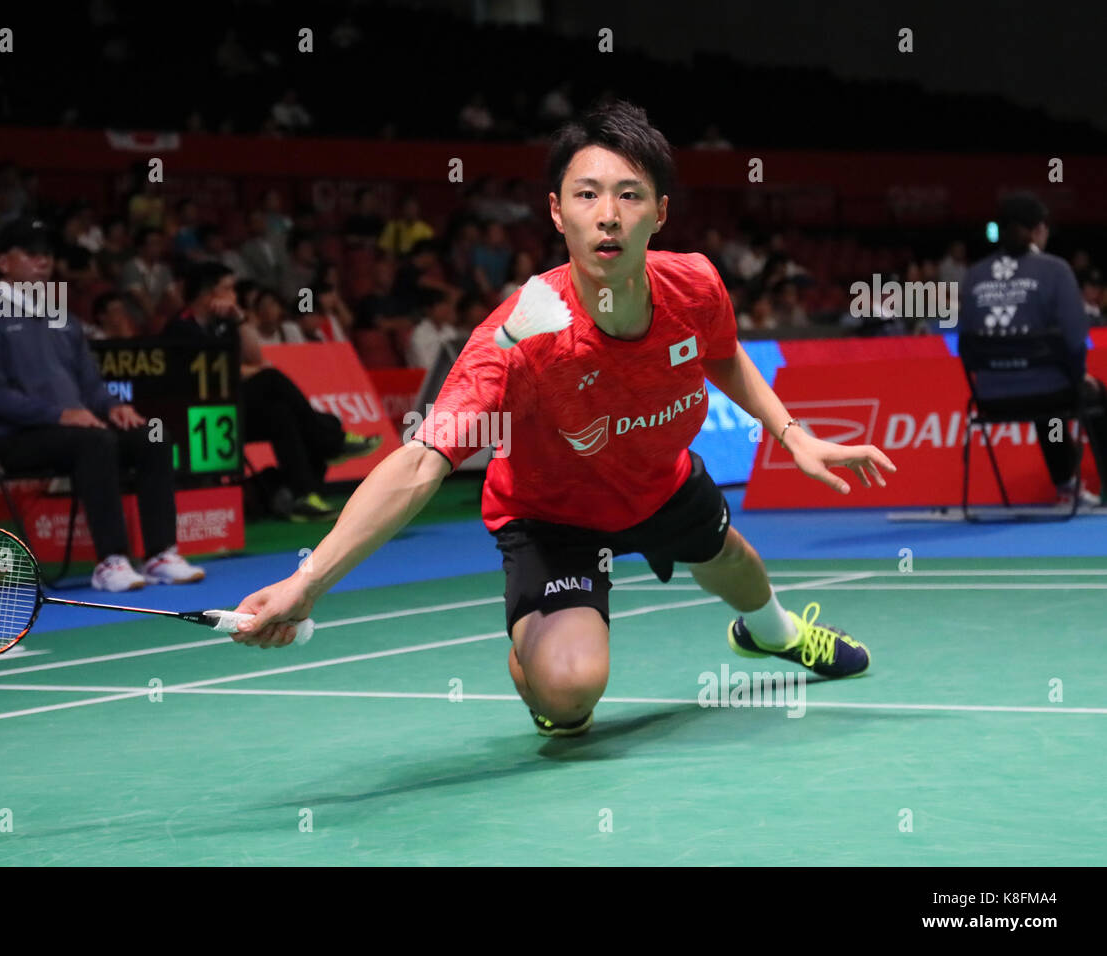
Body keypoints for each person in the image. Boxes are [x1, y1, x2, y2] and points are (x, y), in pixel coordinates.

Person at [225, 101, 896, 740]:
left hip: (658, 481)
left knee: (735, 561)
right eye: (587, 194)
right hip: (554, 518)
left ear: (660, 213)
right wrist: (308, 581)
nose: (608, 216)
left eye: (629, 195)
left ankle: (770, 635)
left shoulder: (695, 284)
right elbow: (420, 462)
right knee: (571, 695)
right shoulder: (515, 341)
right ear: (556, 211)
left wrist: (792, 433)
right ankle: (536, 663)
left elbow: (724, 356)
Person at [0, 218, 206, 592]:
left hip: (76, 431)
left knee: (152, 437)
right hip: (17, 439)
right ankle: (111, 562)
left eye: (46, 254)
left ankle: (160, 555)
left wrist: (111, 407)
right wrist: (59, 414)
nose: (42, 261)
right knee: (97, 442)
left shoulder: (64, 318)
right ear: (4, 263)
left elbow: (90, 384)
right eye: (30, 253)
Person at [163, 262, 382, 521]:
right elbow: (217, 376)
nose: (235, 296)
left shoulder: (224, 322)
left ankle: (302, 496)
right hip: (203, 418)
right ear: (208, 293)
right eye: (229, 289)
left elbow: (254, 358)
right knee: (271, 378)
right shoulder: (180, 328)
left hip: (234, 407)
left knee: (281, 415)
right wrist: (247, 372)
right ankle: (332, 441)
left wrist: (241, 319)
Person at [958, 193, 1107, 508]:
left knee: (1044, 394)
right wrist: (1078, 376)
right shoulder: (1055, 270)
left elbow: (965, 342)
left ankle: (1067, 486)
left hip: (990, 397)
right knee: (1086, 394)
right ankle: (1076, 486)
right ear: (1039, 229)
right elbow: (1075, 338)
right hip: (1048, 391)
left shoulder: (974, 276)